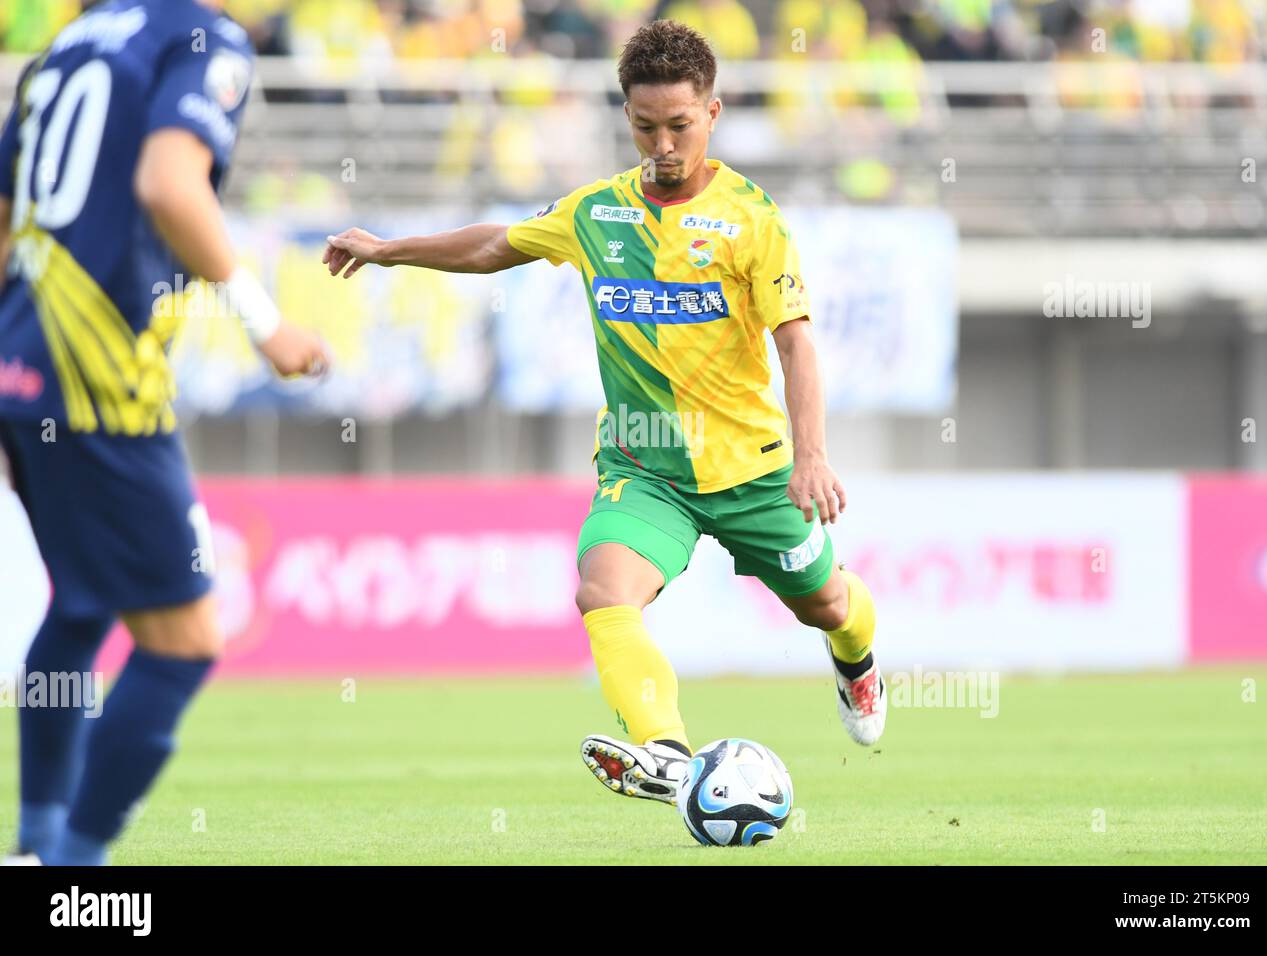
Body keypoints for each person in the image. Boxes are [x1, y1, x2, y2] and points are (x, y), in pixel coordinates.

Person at [321, 19, 884, 806]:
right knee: (601, 592)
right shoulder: (597, 213)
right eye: (645, 126)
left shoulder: (754, 222)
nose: (662, 144)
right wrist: (390, 249)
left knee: (827, 605)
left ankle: (857, 664)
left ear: (712, 115)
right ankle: (671, 756)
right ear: (627, 118)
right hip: (645, 468)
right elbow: (494, 247)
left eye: (680, 126)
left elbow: (795, 344)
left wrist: (813, 454)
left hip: (750, 471)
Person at [0, 0, 329, 865]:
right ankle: (73, 873)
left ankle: (35, 840)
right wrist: (268, 324)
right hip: (101, 376)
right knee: (184, 644)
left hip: (24, 364)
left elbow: (4, 220)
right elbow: (168, 183)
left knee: (81, 606)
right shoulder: (204, 38)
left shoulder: (69, 44)